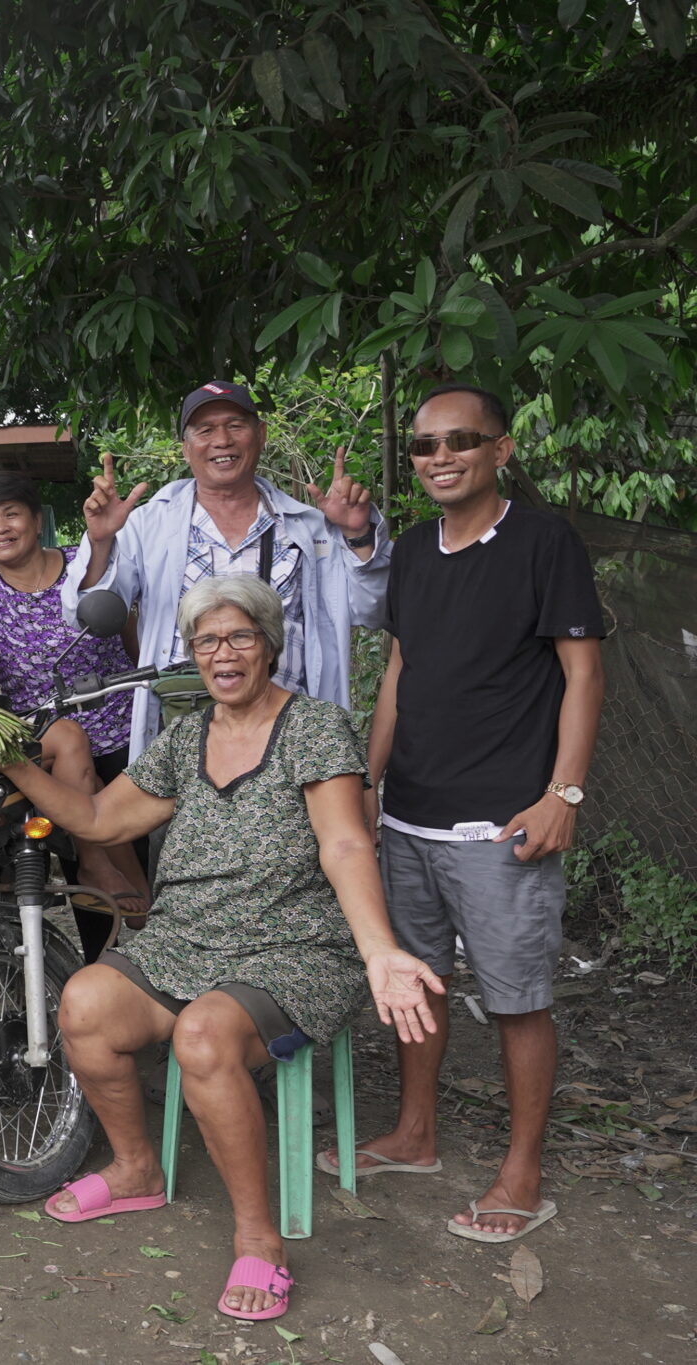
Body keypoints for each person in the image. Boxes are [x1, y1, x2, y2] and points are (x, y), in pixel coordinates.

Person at [0, 573, 441, 1321]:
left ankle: (260, 1237)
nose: (223, 653)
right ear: (191, 653)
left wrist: (379, 948)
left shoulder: (315, 727)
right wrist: (14, 763)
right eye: (206, 640)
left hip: (294, 943)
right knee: (84, 1001)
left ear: (269, 644)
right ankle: (134, 1169)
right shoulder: (185, 739)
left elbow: (347, 842)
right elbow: (94, 816)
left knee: (205, 1032)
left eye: (240, 636)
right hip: (188, 939)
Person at [329, 384, 604, 1244]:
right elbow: (400, 671)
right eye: (424, 447)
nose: (440, 457)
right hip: (410, 814)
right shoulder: (410, 550)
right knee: (416, 980)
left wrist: (563, 792)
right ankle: (415, 1134)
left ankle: (522, 1170)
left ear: (500, 449)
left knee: (519, 999)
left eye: (460, 441)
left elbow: (584, 675)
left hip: (503, 825)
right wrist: (370, 781)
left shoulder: (543, 541)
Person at [70, 381, 390, 756]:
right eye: (205, 430)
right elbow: (84, 615)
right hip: (185, 724)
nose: (222, 440)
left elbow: (373, 610)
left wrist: (357, 534)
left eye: (235, 425)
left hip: (288, 725)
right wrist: (102, 541)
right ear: (186, 448)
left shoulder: (308, 527)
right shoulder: (147, 524)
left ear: (261, 435)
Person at [0, 473, 150, 939]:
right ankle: (96, 951)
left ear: (37, 521)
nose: (0, 527)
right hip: (46, 734)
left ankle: (158, 945)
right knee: (85, 860)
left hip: (124, 727)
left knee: (144, 850)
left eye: (11, 514)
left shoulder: (82, 565)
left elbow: (131, 630)